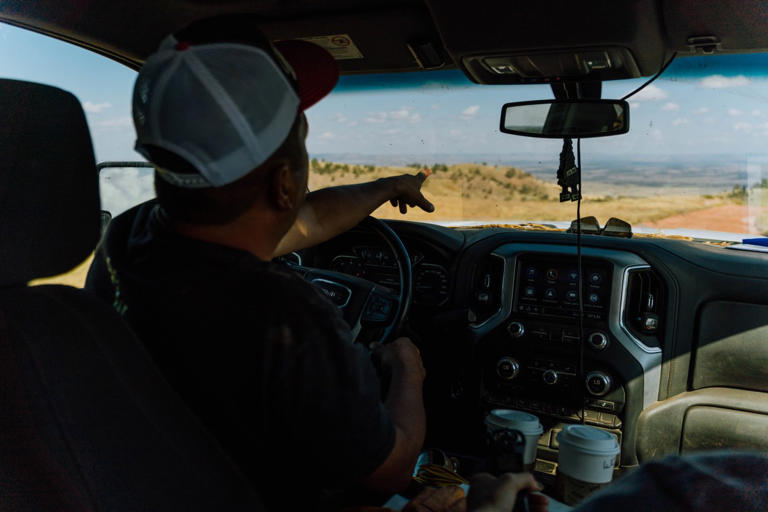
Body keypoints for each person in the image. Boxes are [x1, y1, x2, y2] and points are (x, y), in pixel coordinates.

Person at [86, 15, 435, 510]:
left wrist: (387, 186)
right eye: (302, 144)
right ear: (284, 184)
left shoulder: (130, 235)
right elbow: (389, 473)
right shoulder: (285, 319)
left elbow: (309, 221)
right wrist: (407, 369)